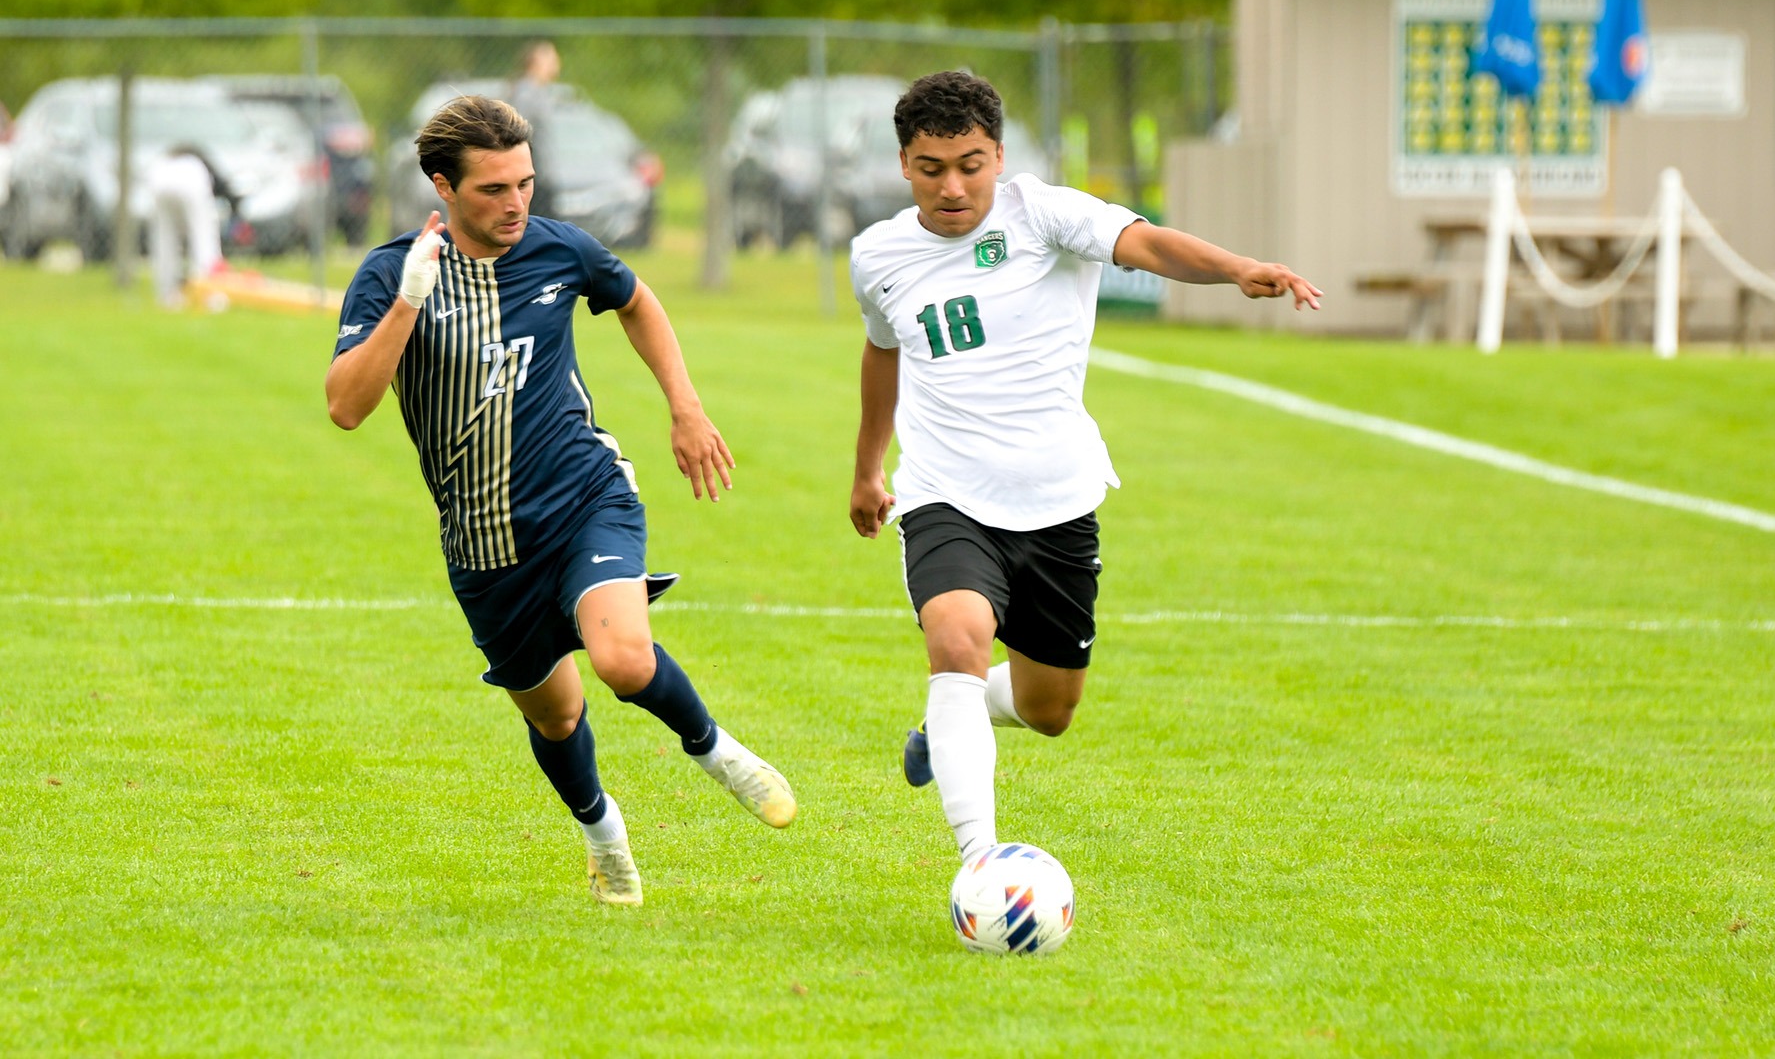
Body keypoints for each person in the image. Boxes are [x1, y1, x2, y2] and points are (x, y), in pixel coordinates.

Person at [326, 96, 795, 907]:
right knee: (554, 715)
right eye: (494, 189)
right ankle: (603, 833)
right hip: (483, 544)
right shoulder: (388, 274)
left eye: (526, 184)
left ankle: (717, 751)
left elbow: (638, 300)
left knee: (621, 659)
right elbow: (346, 405)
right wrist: (406, 302)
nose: (516, 205)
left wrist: (685, 407)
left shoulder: (558, 250)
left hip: (585, 497)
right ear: (443, 186)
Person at [847, 71, 1322, 866]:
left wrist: (1236, 268)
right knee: (958, 641)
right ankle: (981, 863)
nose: (953, 186)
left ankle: (944, 725)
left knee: (1049, 707)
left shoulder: (1048, 213)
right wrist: (869, 468)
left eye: (970, 163)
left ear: (998, 154)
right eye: (932, 168)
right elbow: (881, 351)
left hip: (1056, 498)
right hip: (944, 496)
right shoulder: (879, 255)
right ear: (904, 165)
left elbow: (1148, 244)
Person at [148, 145, 235, 309]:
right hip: (189, 179)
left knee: (165, 238)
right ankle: (210, 295)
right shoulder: (202, 169)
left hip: (158, 175)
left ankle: (167, 296)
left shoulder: (178, 159)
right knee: (203, 236)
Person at [509, 40, 562, 220]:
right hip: (532, 171)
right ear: (536, 61)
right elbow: (518, 133)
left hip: (542, 173)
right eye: (551, 58)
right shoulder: (526, 93)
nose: (556, 63)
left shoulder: (541, 91)